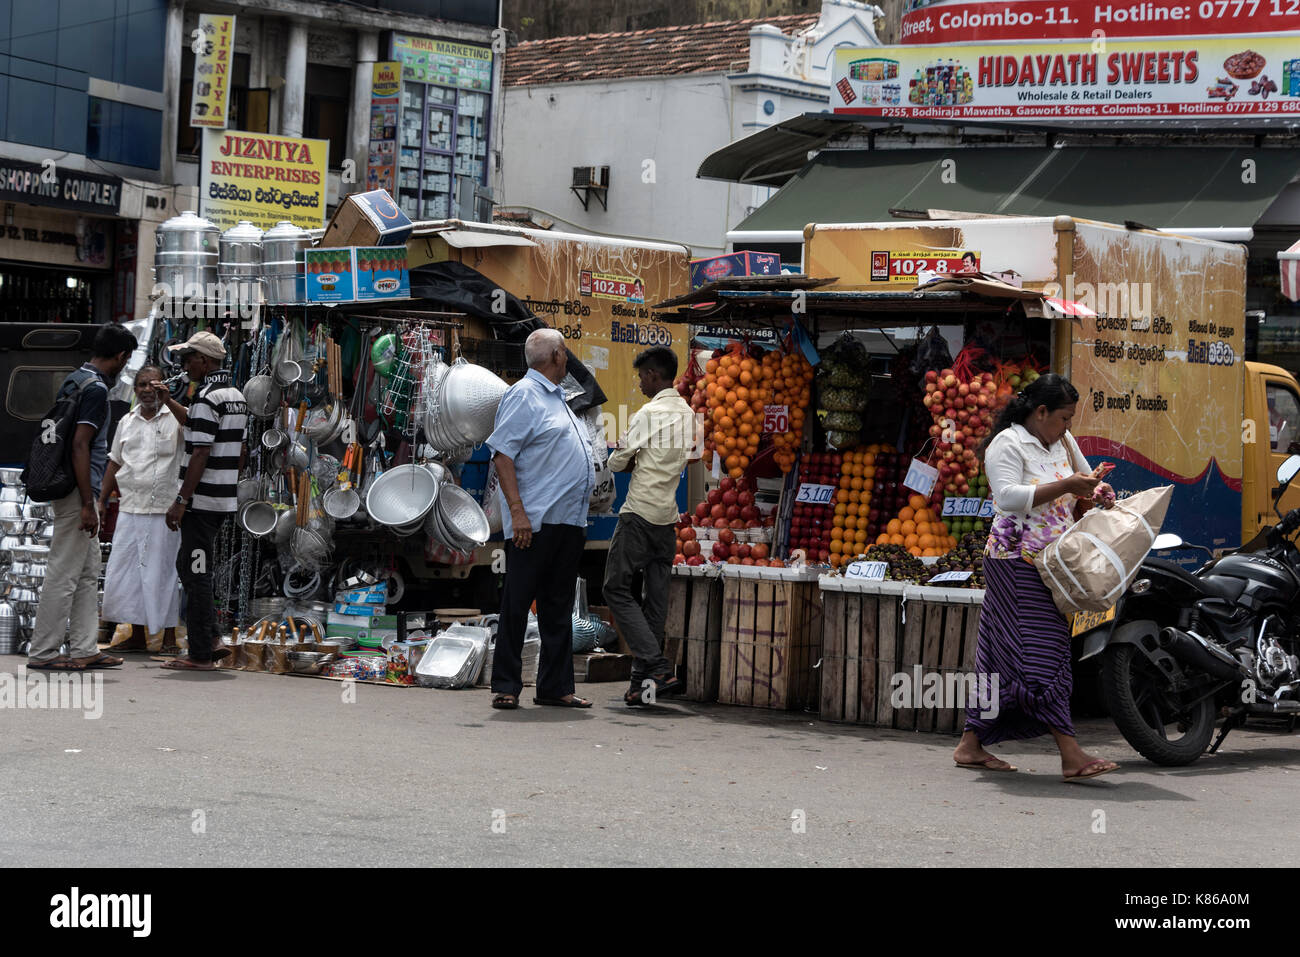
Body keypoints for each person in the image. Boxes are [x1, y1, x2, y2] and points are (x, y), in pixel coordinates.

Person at [952, 373, 1119, 781]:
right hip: (1014, 562)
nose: (1068, 427)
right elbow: (1007, 497)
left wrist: (1096, 492)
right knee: (1047, 654)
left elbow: (1083, 483)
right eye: (1064, 418)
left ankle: (970, 744)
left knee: (999, 655)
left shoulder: (1062, 441)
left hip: (1053, 562)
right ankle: (1070, 752)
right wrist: (1067, 484)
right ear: (1040, 412)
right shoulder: (1006, 445)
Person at [486, 328, 596, 709]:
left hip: (567, 521)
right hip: (534, 522)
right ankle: (505, 685)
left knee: (557, 606)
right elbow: (502, 455)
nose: (567, 357)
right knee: (517, 604)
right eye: (565, 351)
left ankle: (555, 687)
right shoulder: (525, 395)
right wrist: (517, 512)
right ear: (558, 356)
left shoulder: (559, 398)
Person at [28, 323, 138, 671]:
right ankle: (44, 652)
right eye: (127, 358)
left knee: (89, 571)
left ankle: (85, 648)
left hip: (79, 490)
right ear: (120, 356)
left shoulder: (75, 378)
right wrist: (89, 503)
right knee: (64, 572)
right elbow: (79, 444)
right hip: (78, 492)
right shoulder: (95, 390)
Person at [605, 346, 701, 706]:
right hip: (667, 520)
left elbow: (617, 464)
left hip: (639, 515)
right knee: (654, 603)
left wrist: (621, 452)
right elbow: (690, 457)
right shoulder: (689, 414)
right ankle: (638, 685)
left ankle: (659, 669)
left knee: (615, 589)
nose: (640, 383)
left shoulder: (649, 413)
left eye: (642, 377)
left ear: (654, 375)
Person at [160, 331, 247, 673]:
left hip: (201, 502)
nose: (184, 365)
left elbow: (200, 450)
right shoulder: (234, 395)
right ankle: (211, 638)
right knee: (190, 565)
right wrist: (170, 400)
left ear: (205, 361)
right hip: (220, 498)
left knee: (196, 572)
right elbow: (207, 433)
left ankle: (200, 653)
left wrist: (182, 500)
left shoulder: (207, 396)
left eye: (188, 359)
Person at [98, 365, 184, 653]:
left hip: (164, 509)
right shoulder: (127, 421)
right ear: (134, 390)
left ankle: (170, 638)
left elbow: (196, 431)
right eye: (142, 385)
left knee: (163, 573)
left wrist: (169, 400)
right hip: (130, 507)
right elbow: (114, 461)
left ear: (163, 387)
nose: (147, 389)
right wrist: (101, 499)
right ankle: (136, 635)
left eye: (153, 384)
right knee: (127, 572)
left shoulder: (175, 418)